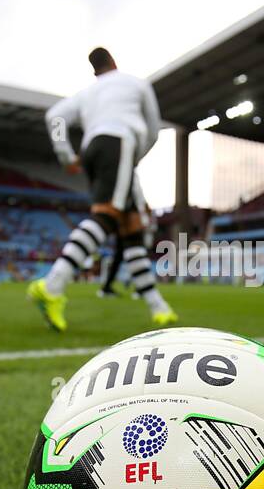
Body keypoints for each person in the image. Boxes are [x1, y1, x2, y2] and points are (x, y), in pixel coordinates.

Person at [29, 48, 176, 331]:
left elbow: (55, 117)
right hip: (120, 144)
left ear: (95, 70)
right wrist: (133, 156)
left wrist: (65, 154)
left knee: (132, 232)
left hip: (92, 150)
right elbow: (154, 129)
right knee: (106, 216)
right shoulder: (135, 83)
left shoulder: (88, 93)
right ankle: (53, 285)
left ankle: (159, 307)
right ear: (114, 62)